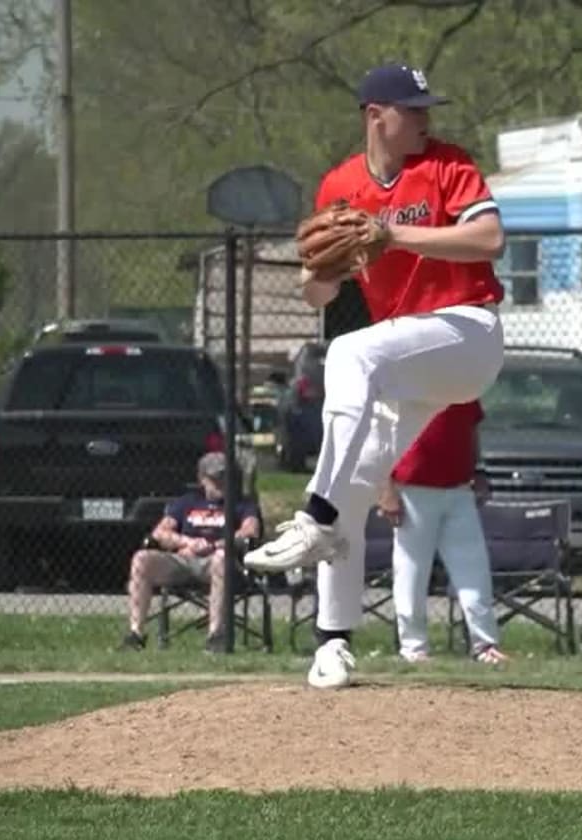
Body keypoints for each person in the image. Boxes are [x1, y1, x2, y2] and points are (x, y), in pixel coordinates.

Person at [243, 63, 507, 690]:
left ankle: (312, 516)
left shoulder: (448, 164)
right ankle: (333, 642)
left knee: (347, 353)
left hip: (468, 333)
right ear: (375, 116)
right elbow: (314, 291)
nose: (425, 119)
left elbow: (489, 238)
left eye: (425, 109)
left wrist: (392, 235)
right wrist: (327, 268)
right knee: (359, 484)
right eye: (412, 109)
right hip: (408, 361)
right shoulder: (341, 184)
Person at [378, 400, 507, 665]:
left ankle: (485, 645)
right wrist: (385, 487)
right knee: (412, 570)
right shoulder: (405, 380)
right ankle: (413, 648)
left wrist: (479, 469)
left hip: (459, 488)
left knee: (473, 569)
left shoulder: (463, 380)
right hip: (412, 487)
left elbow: (471, 428)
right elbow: (382, 434)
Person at [122, 452, 262, 652]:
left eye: (224, 477)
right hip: (184, 560)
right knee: (142, 559)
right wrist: (187, 542)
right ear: (202, 479)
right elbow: (160, 532)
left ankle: (216, 636)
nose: (221, 483)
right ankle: (135, 634)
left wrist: (216, 546)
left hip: (221, 563)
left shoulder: (242, 504)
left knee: (220, 560)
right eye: (215, 479)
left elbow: (250, 531)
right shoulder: (187, 502)